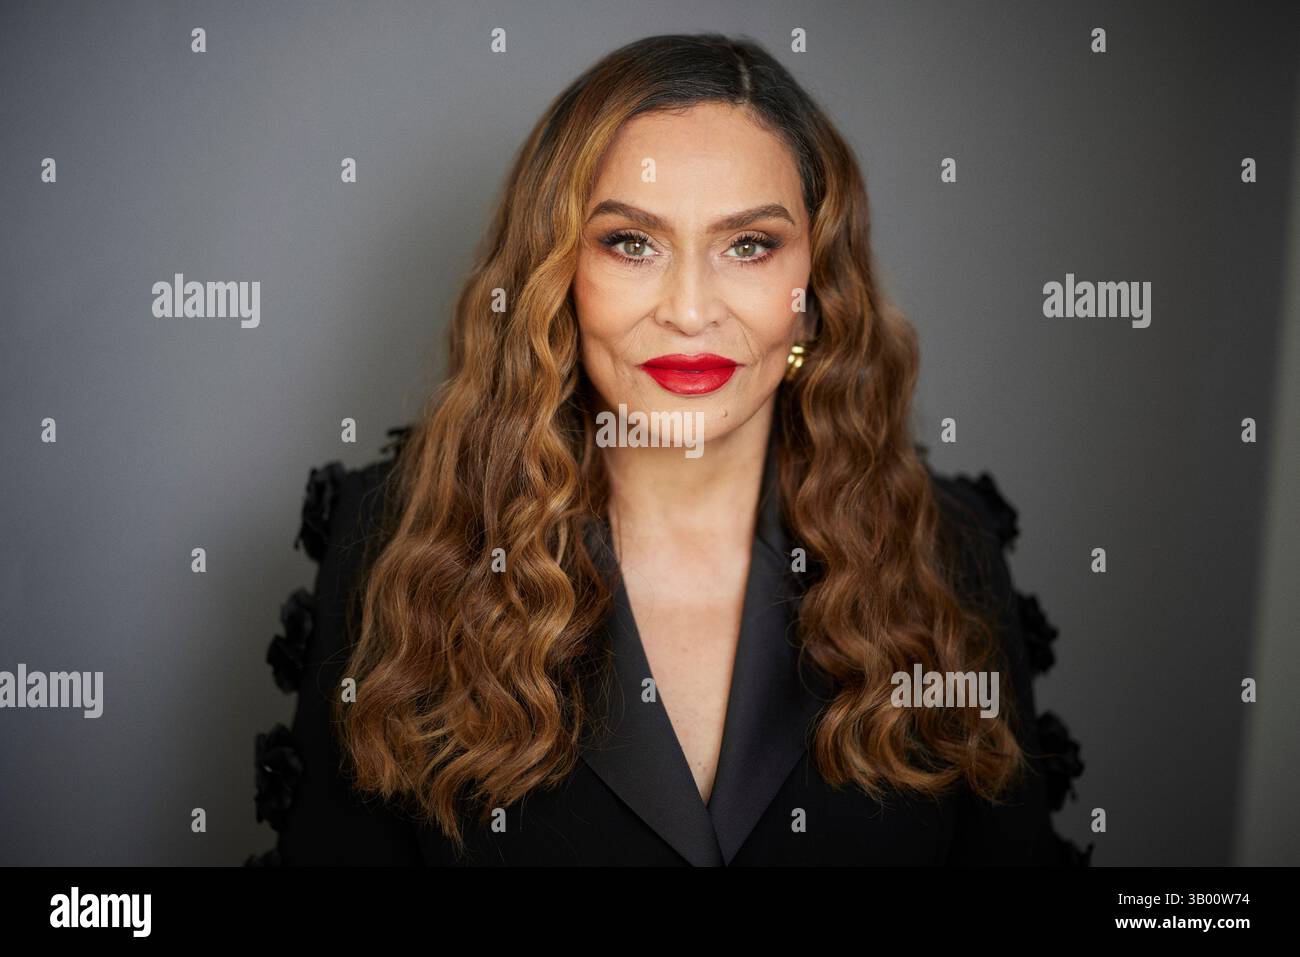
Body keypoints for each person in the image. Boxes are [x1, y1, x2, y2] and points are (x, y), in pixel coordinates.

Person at [247, 32, 1088, 867]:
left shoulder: (948, 549)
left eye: (749, 245)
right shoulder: (392, 545)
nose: (690, 310)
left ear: (815, 291)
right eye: (631, 242)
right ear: (555, 278)